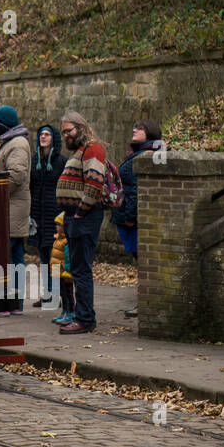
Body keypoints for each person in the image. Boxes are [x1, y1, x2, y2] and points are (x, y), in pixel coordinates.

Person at [55, 110, 107, 334]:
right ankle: (82, 315)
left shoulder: (92, 149)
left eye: (69, 131)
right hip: (76, 216)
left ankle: (84, 319)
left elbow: (94, 184)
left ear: (81, 128)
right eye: (64, 132)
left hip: (84, 217)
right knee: (76, 269)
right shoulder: (80, 150)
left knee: (81, 270)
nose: (66, 135)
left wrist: (79, 213)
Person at [114, 119, 163, 318]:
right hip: (128, 216)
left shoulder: (146, 155)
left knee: (143, 261)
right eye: (134, 126)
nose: (134, 129)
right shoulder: (139, 152)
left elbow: (136, 189)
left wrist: (129, 217)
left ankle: (146, 303)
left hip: (132, 219)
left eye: (140, 128)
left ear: (150, 133)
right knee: (141, 261)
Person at [0, 105, 32, 316]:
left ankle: (6, 303)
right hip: (11, 209)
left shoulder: (17, 144)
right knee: (15, 258)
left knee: (5, 258)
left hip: (11, 210)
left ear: (3, 122)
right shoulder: (12, 142)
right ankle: (14, 304)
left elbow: (16, 176)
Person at [29, 123, 66, 307]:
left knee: (55, 257)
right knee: (43, 256)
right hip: (38, 215)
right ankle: (47, 294)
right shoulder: (35, 160)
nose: (43, 137)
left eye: (47, 134)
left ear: (53, 139)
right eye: (41, 134)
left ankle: (57, 295)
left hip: (54, 215)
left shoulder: (61, 162)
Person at [51, 212, 76, 324]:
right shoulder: (57, 239)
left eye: (59, 225)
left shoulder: (66, 241)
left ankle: (71, 312)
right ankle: (64, 311)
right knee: (62, 293)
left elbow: (68, 258)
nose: (56, 227)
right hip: (57, 271)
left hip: (64, 272)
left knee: (68, 293)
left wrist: (68, 272)